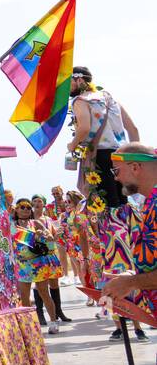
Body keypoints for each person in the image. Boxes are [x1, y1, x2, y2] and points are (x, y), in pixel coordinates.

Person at [66, 67, 140, 211]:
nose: (67, 88)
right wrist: (135, 156)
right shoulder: (109, 98)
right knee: (123, 203)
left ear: (79, 80)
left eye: (69, 82)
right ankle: (128, 231)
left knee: (107, 205)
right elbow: (133, 129)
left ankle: (114, 233)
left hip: (101, 155)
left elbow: (84, 128)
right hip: (121, 155)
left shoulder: (80, 100)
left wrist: (72, 145)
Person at [101, 145, 157, 323]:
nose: (115, 178)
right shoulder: (150, 203)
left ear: (135, 167)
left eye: (116, 170)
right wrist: (133, 276)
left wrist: (132, 282)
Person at [12, 198, 62, 334]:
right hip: (22, 264)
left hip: (38, 263)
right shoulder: (11, 225)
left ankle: (53, 322)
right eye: (22, 207)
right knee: (24, 297)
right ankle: (29, 326)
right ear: (16, 209)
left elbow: (50, 236)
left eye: (29, 207)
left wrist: (43, 234)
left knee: (44, 293)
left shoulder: (35, 223)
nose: (26, 209)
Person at [31, 194, 72, 324]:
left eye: (39, 201)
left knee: (54, 284)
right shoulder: (29, 220)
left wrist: (58, 234)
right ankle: (40, 313)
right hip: (37, 256)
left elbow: (54, 237)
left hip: (51, 254)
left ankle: (58, 311)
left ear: (43, 204)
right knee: (39, 286)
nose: (37, 203)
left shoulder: (48, 219)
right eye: (35, 201)